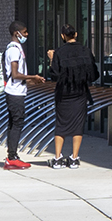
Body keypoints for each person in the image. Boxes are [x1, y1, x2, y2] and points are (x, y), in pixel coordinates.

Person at [40, 26, 101, 170]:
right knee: (78, 125)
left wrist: (51, 59)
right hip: (80, 92)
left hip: (63, 93)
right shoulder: (86, 51)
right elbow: (94, 74)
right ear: (76, 34)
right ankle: (74, 158)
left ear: (63, 36)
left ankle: (57, 157)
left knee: (61, 124)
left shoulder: (59, 53)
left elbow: (54, 75)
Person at [0, 21, 33, 170]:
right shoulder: (14, 50)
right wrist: (32, 77)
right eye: (24, 32)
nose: (26, 34)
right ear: (17, 33)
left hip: (16, 91)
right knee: (17, 123)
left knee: (13, 123)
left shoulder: (16, 48)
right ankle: (12, 157)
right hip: (15, 92)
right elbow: (15, 74)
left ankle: (12, 155)